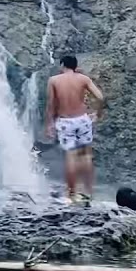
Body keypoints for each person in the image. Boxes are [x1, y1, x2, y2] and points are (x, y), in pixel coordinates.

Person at [44, 54, 106, 205]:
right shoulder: (83, 79)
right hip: (83, 120)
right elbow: (100, 97)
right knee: (86, 156)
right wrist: (97, 113)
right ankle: (89, 192)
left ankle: (72, 194)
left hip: (66, 121)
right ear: (76, 66)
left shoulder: (54, 80)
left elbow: (51, 104)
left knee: (71, 156)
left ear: (62, 65)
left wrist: (49, 124)